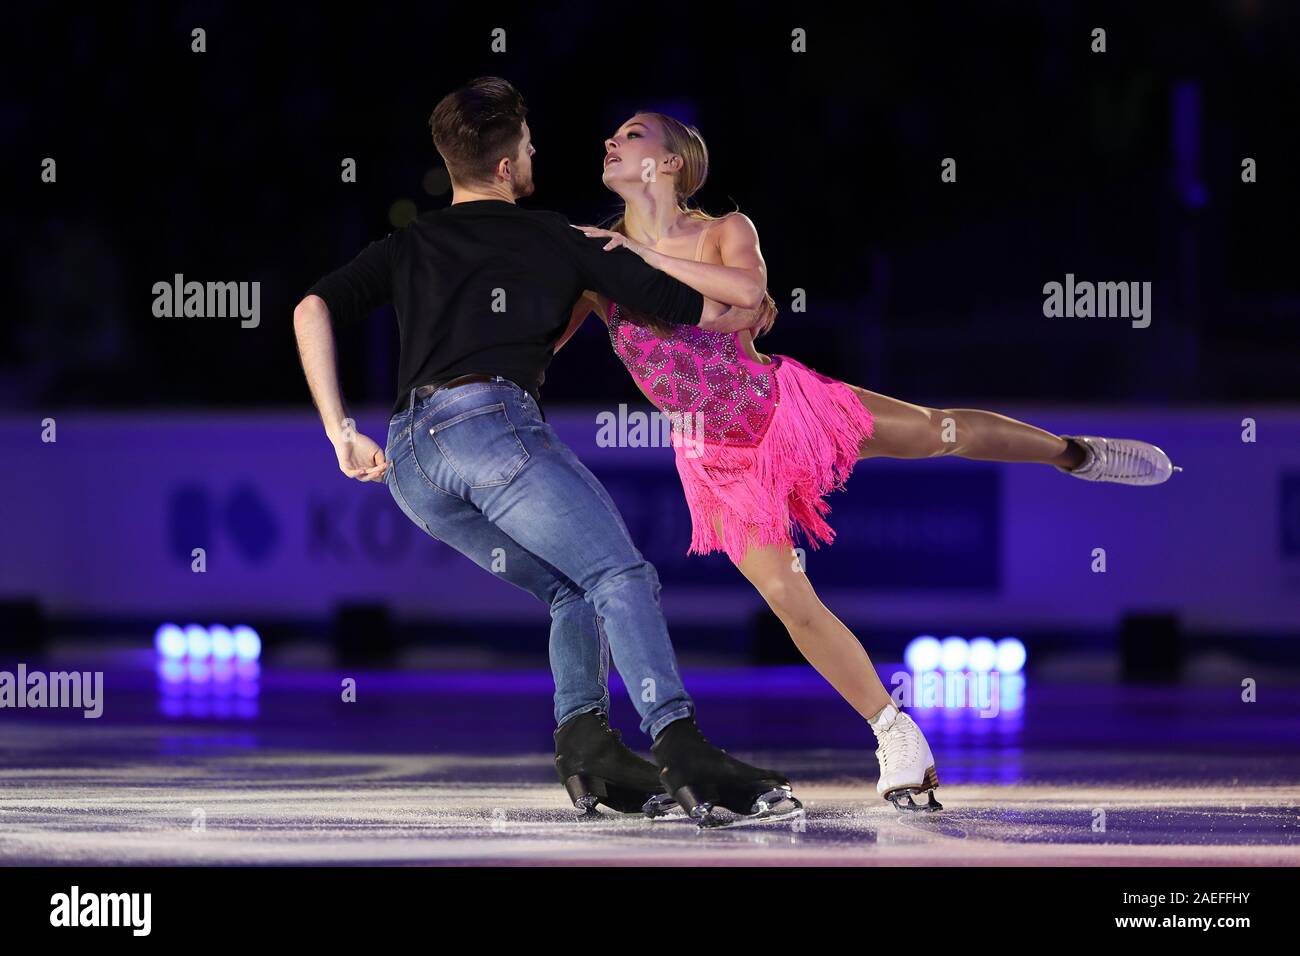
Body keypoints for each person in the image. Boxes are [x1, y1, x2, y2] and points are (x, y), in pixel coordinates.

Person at [557, 111, 1181, 812]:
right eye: (612, 136)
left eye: (631, 135)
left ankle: (1075, 454)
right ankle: (895, 731)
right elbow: (531, 350)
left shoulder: (725, 231)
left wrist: (629, 254)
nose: (610, 141)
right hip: (714, 457)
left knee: (937, 431)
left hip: (784, 408)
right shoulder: (592, 268)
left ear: (671, 163)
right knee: (788, 597)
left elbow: (745, 295)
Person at [293, 78, 801, 828]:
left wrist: (341, 432)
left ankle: (587, 746)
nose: (536, 155)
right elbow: (719, 310)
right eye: (529, 146)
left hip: (410, 460)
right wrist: (731, 297)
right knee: (620, 574)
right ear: (506, 168)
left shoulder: (411, 241)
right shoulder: (560, 238)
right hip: (491, 427)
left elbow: (311, 307)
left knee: (571, 588)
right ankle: (684, 748)